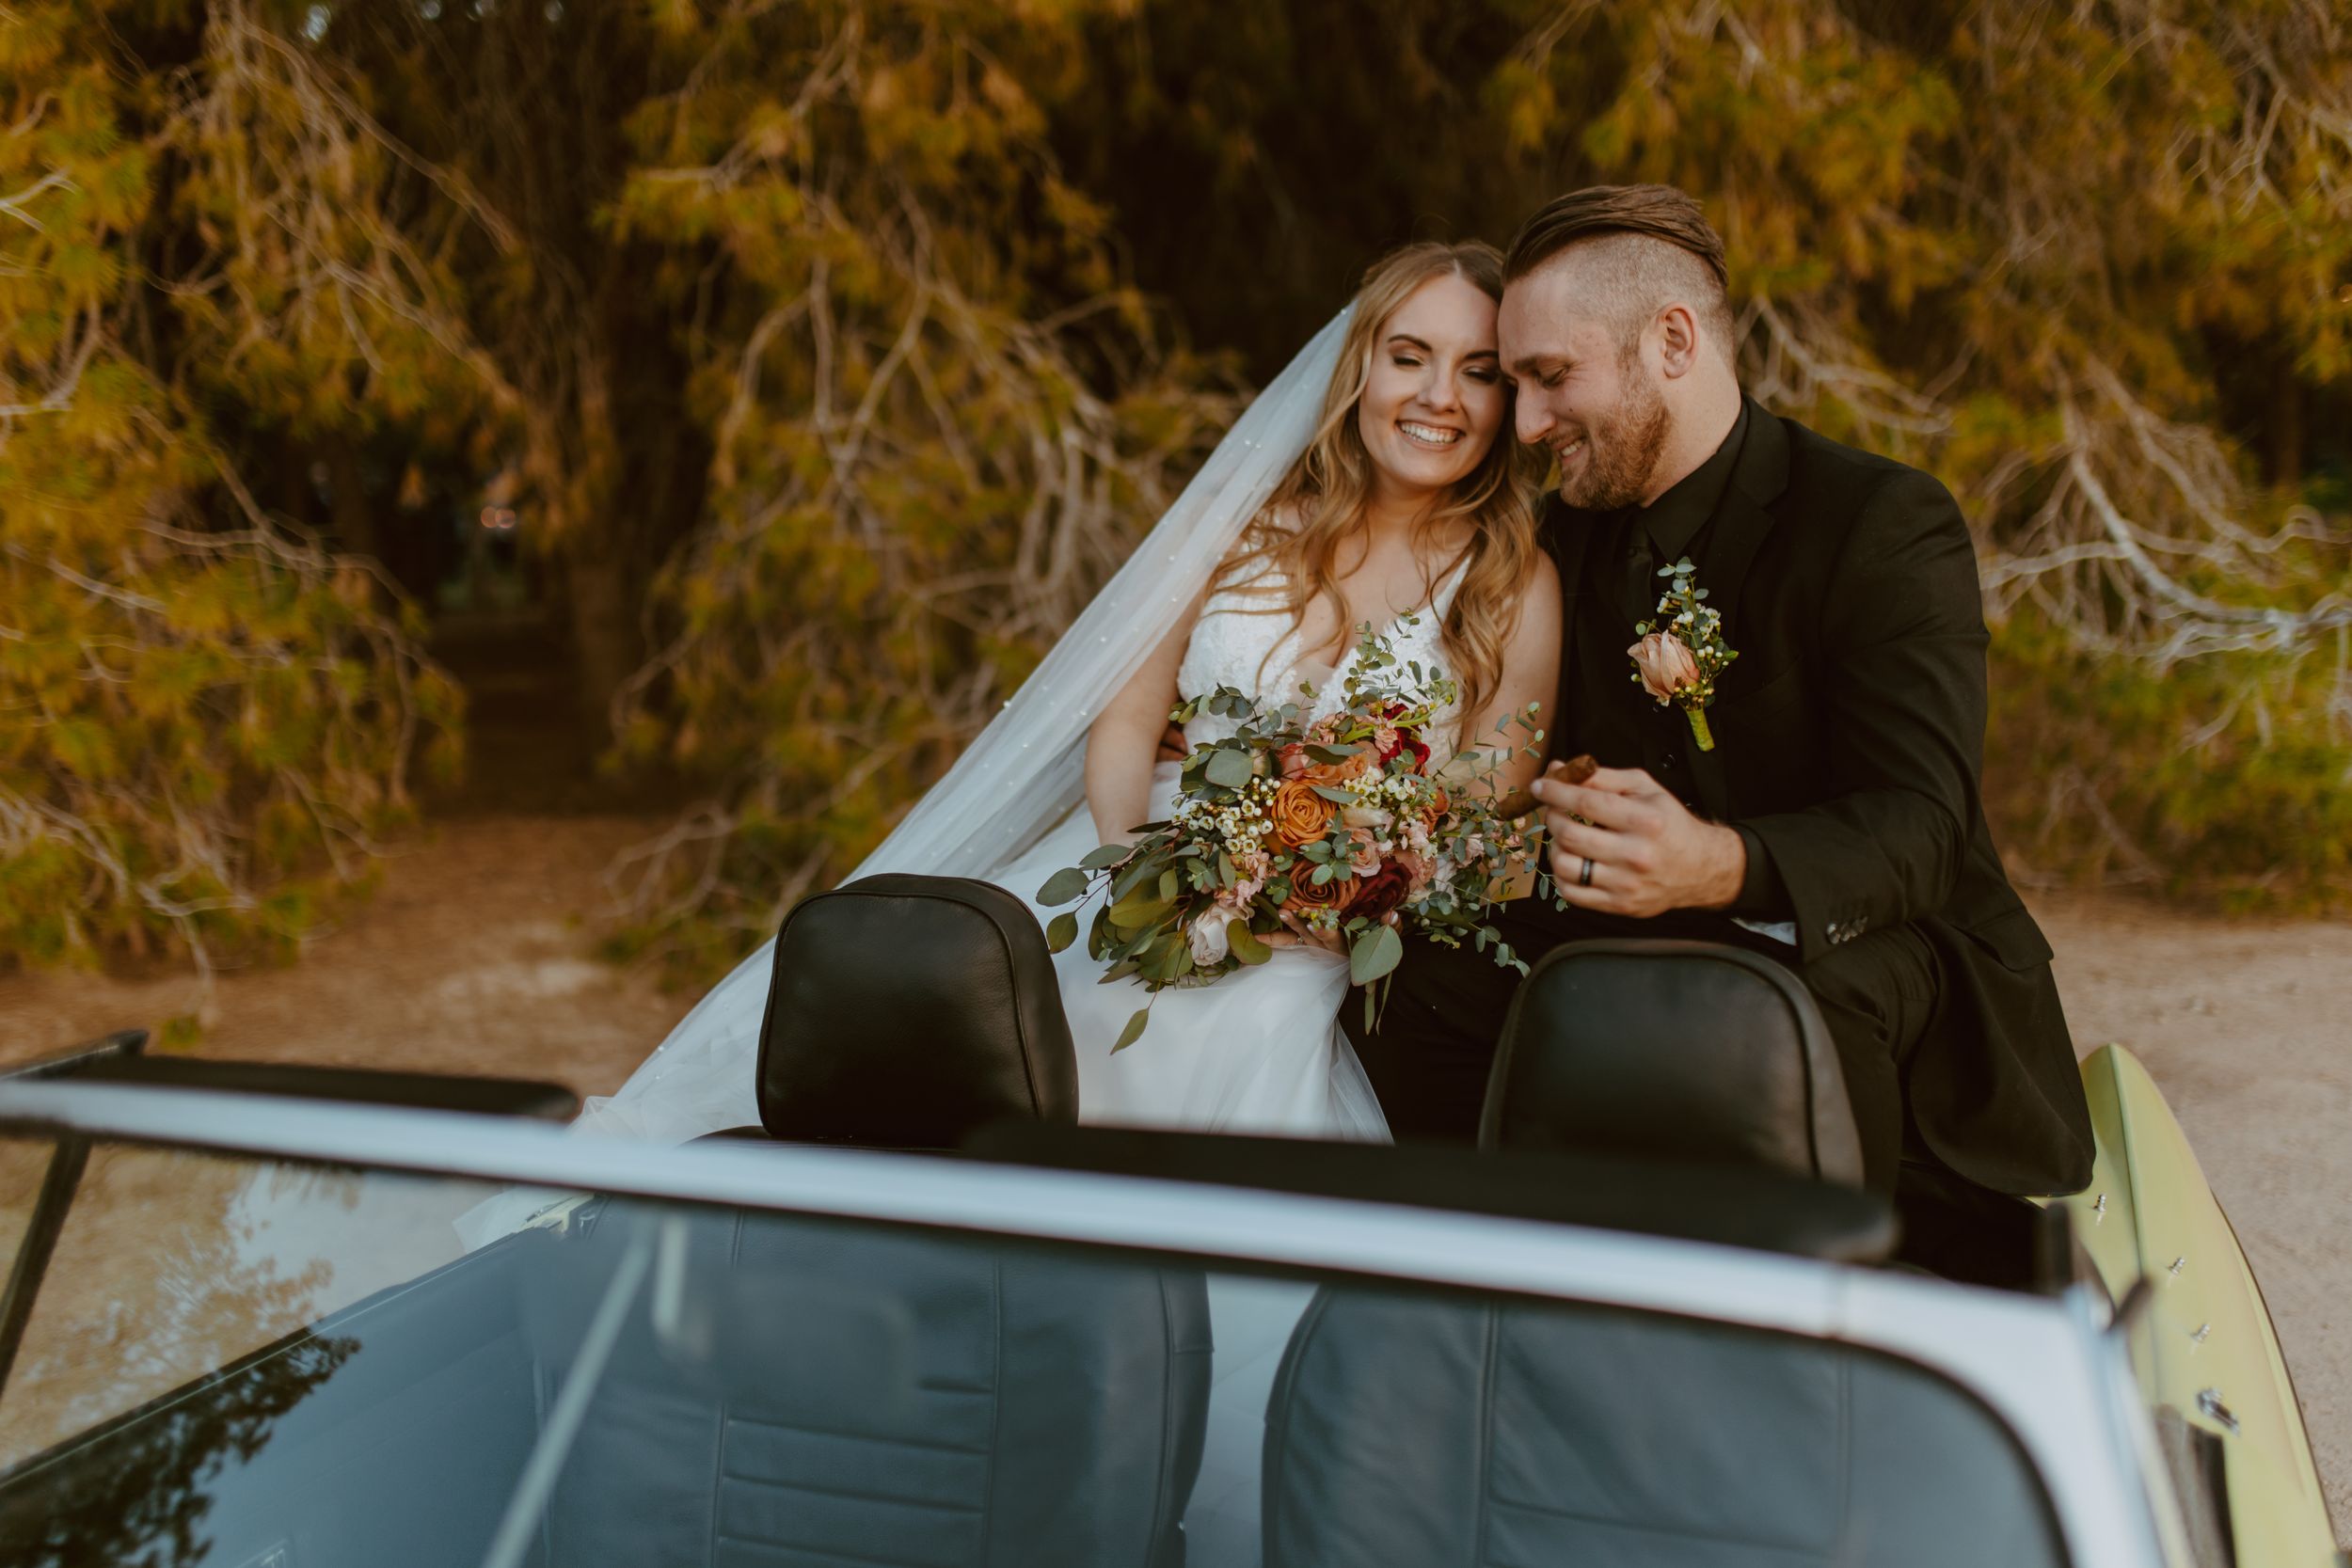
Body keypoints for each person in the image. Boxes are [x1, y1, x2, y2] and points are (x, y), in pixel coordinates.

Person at [568, 242, 1556, 1148]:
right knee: (1016, 1013)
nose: (1440, 397)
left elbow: (1492, 791)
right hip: (1138, 864)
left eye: (1478, 371)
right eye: (1409, 357)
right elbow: (1126, 723)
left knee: (1241, 1030)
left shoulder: (1512, 581)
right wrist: (1139, 868)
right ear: (1358, 368)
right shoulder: (1233, 526)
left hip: (1329, 926)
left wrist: (1344, 883)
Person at [1347, 185, 2095, 1200]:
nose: (1524, 423)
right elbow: (1498, 755)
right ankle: (1497, 1258)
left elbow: (1922, 825)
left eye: (1551, 377)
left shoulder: (1880, 520)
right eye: (1515, 385)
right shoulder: (1560, 539)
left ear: (1672, 341)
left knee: (1789, 1015)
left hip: (1869, 945)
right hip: (1638, 929)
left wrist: (1716, 863)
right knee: (1413, 978)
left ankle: (1821, 1291)